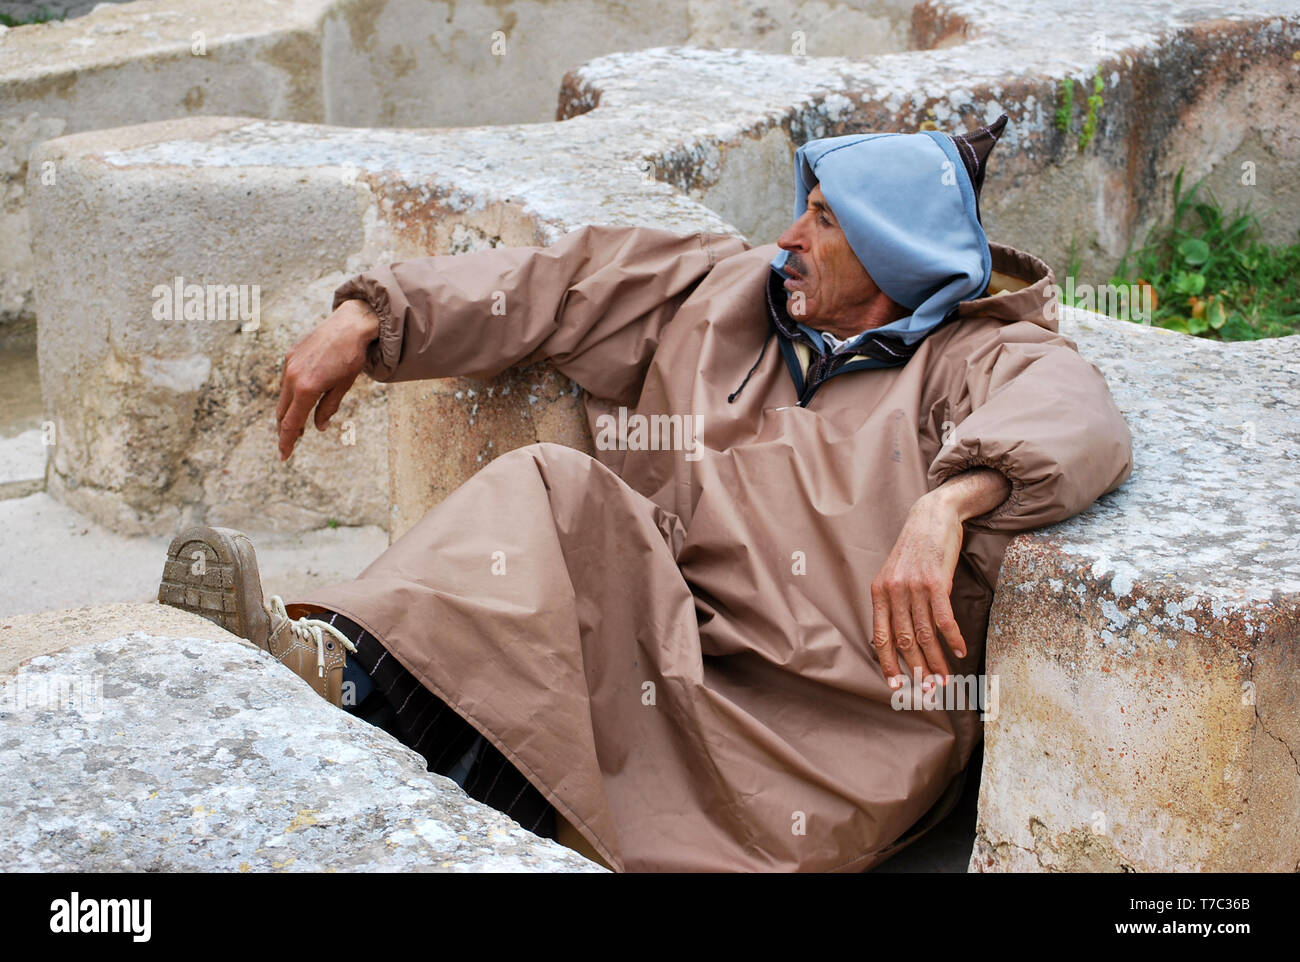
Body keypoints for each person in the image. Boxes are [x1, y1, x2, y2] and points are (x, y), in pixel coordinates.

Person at [159, 113, 1133, 872]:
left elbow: (1072, 412)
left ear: (891, 253)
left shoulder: (974, 354)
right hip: (671, 646)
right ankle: (333, 674)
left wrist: (946, 502)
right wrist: (373, 315)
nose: (789, 234)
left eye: (825, 220)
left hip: (827, 741)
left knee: (566, 768)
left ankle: (358, 716)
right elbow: (554, 282)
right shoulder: (726, 292)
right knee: (556, 489)